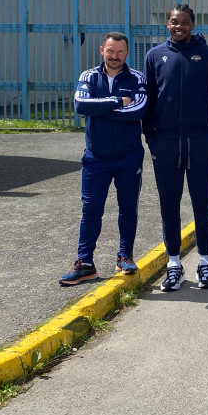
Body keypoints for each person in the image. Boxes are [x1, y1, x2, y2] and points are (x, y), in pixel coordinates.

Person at [144, 4, 208, 292]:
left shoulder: (207, 55)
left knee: (201, 205)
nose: (179, 26)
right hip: (164, 143)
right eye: (174, 22)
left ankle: (205, 261)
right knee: (169, 206)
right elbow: (149, 98)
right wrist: (150, 138)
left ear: (193, 25)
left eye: (184, 22)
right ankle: (174, 265)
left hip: (199, 142)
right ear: (167, 24)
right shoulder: (155, 56)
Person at [60, 32, 148, 286]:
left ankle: (125, 257)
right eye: (110, 51)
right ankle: (85, 264)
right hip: (95, 158)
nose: (115, 56)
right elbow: (81, 105)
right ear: (101, 50)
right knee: (90, 211)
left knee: (128, 208)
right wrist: (116, 102)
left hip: (129, 157)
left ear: (127, 53)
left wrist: (101, 110)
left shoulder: (137, 78)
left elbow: (139, 110)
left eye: (120, 52)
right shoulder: (88, 76)